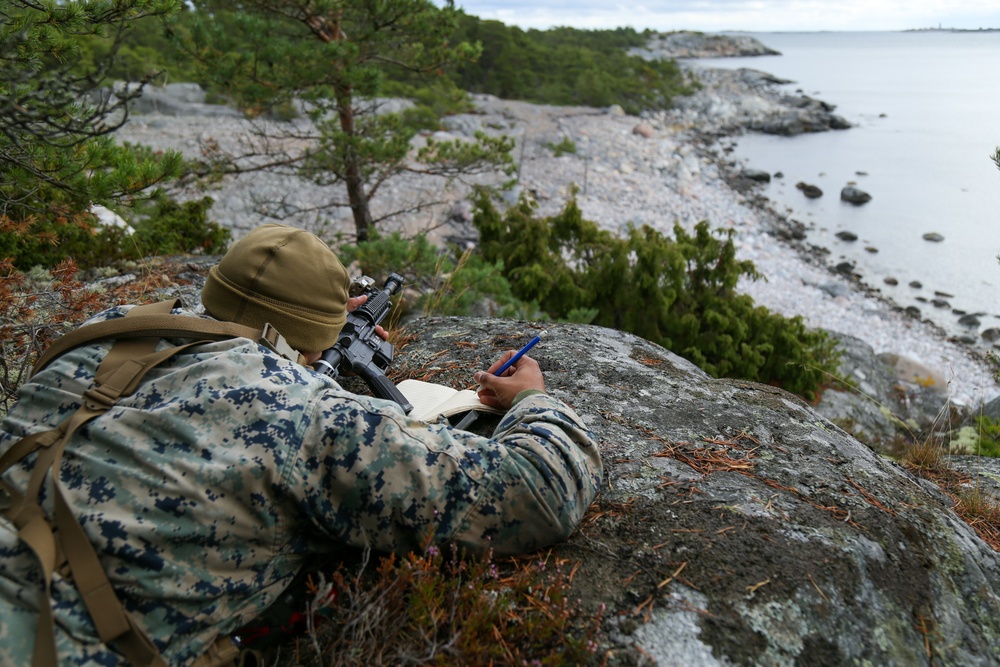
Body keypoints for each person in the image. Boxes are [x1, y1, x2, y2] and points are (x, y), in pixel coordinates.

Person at [0, 224, 603, 665]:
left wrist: (307, 332)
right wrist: (533, 400)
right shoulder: (306, 416)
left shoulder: (98, 331)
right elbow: (540, 492)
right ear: (311, 340)